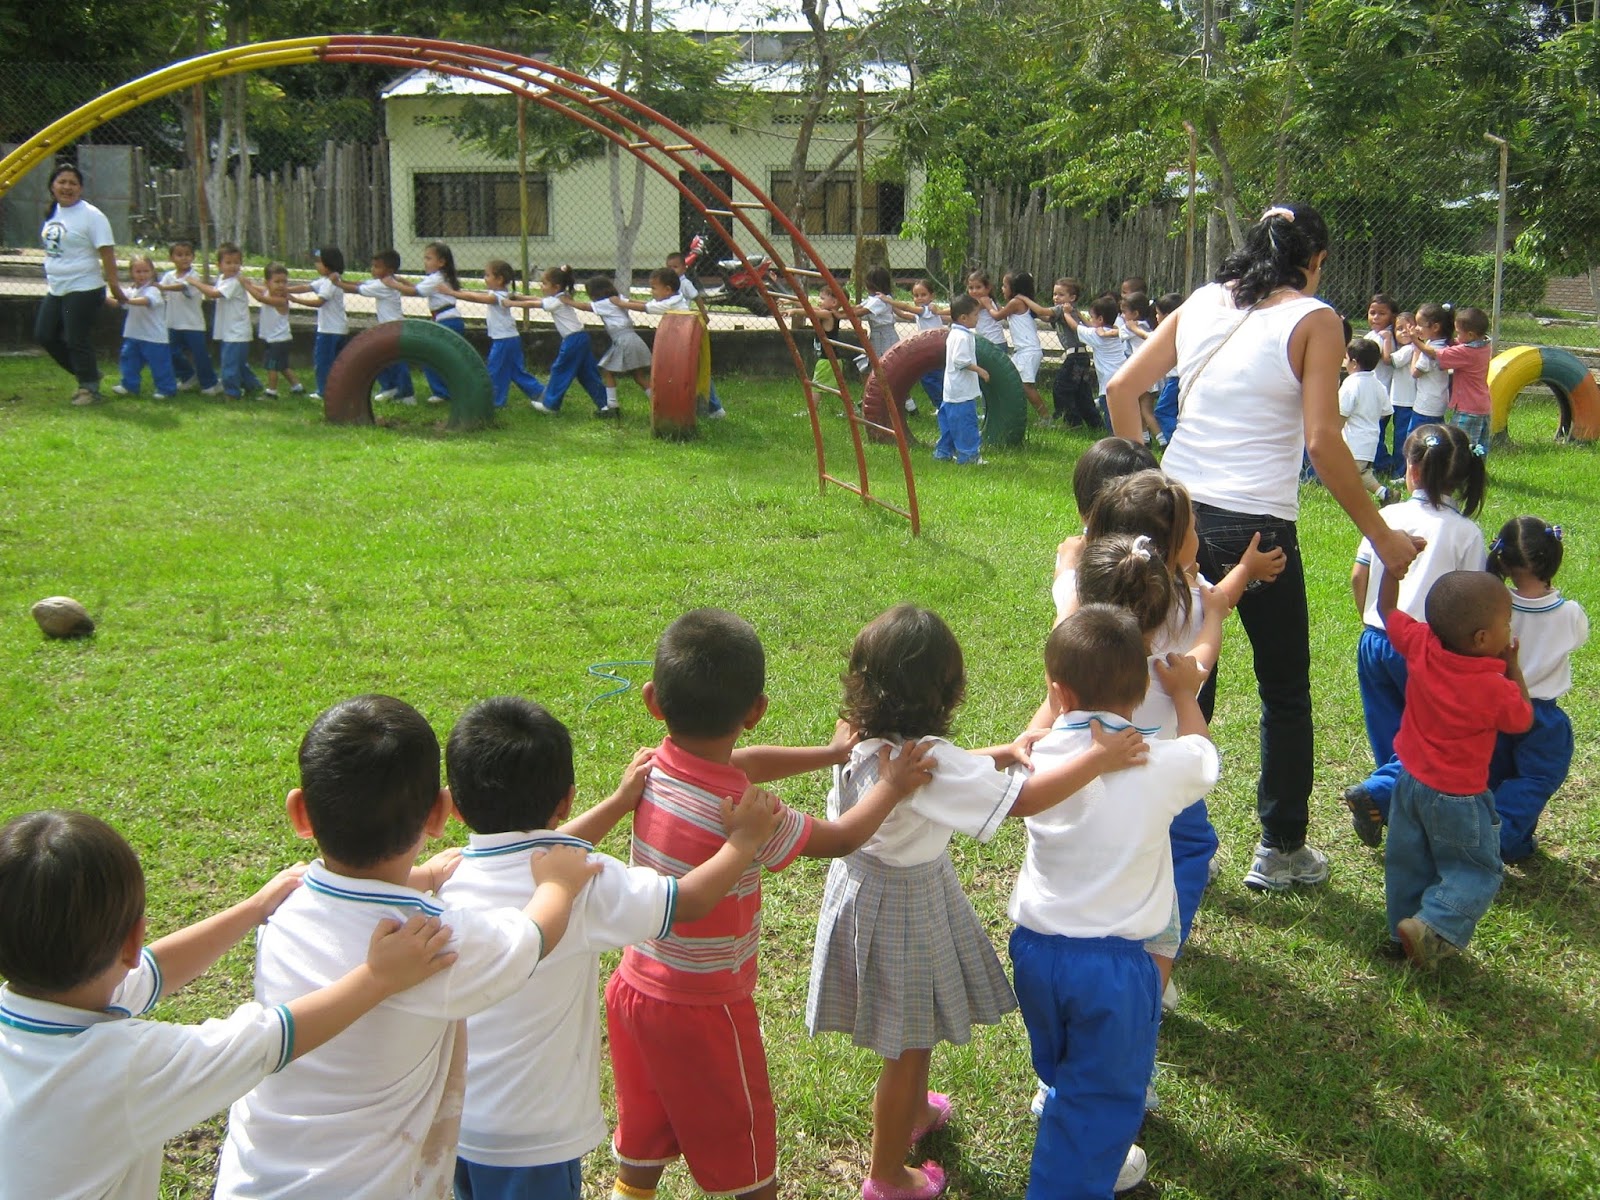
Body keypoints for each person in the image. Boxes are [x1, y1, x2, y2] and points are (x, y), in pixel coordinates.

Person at [1107, 202, 1421, 892]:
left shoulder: (1201, 302)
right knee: (1283, 690)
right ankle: (1280, 848)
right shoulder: (1316, 320)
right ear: (1315, 260)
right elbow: (1323, 441)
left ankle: (1162, 841)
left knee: (1181, 679)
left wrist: (1148, 489)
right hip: (1259, 527)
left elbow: (1123, 388)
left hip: (1179, 520)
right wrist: (1383, 536)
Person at [808, 605, 1148, 1200]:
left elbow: (957, 772)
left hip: (866, 890)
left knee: (913, 1028)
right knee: (907, 1046)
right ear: (947, 691)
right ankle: (887, 1176)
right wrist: (1099, 758)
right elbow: (1023, 801)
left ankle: (916, 1112)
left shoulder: (859, 736)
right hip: (903, 906)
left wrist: (1005, 751)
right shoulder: (929, 761)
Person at [214, 694, 602, 1200]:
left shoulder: (280, 905)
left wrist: (424, 876)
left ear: (300, 813)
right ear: (440, 813)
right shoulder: (431, 943)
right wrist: (558, 886)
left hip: (252, 1181)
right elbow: (533, 938)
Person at [605, 608, 936, 1200]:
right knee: (747, 1157)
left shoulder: (651, 770)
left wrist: (830, 754)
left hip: (635, 991)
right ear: (756, 710)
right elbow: (841, 839)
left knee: (643, 1135)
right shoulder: (749, 817)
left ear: (654, 700)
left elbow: (746, 760)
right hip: (706, 1010)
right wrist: (891, 786)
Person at [0, 809, 456, 1200]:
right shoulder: (124, 1067)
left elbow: (151, 972)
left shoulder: (44, 1012)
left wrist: (255, 907)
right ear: (135, 937)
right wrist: (377, 978)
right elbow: (271, 1040)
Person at [439, 697, 785, 1200]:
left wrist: (622, 802)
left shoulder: (443, 880)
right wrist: (743, 843)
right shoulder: (583, 891)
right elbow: (688, 901)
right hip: (533, 1143)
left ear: (453, 806)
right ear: (566, 800)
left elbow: (541, 848)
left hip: (458, 1126)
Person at [1010, 605, 1219, 1199]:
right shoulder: (1159, 762)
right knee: (1103, 1098)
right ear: (1140, 691)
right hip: (1115, 969)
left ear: (1057, 692)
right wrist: (1185, 695)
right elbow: (1204, 755)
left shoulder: (1034, 756)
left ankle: (1078, 1134)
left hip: (1034, 953)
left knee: (1066, 1069)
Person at [1373, 569, 1532, 968]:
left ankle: (1401, 934)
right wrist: (1512, 667)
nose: (1509, 630)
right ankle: (1434, 925)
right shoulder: (1493, 687)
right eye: (1506, 623)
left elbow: (1386, 609)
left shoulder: (1421, 642)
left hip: (1409, 783)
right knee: (1477, 870)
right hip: (1459, 798)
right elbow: (1522, 719)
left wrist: (1391, 571)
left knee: (1408, 864)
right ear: (1481, 639)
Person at [1340, 423, 1487, 846]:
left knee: (1388, 730)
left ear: (1413, 469)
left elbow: (1358, 576)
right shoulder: (1466, 533)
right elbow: (1472, 599)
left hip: (1376, 638)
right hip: (1429, 648)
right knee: (1434, 739)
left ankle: (1390, 805)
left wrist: (1370, 618)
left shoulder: (1387, 517)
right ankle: (1380, 794)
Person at [1486, 518, 1588, 863]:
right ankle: (1498, 837)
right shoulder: (1571, 613)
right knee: (1535, 779)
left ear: (1503, 561)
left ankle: (1511, 841)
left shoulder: (1496, 608)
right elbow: (1577, 640)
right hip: (1542, 714)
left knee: (1493, 776)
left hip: (1499, 709)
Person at [37, 162, 126, 405]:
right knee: (45, 335)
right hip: (57, 287)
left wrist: (114, 286)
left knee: (76, 338)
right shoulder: (53, 212)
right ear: (52, 186)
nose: (67, 187)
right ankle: (90, 374)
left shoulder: (92, 215)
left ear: (81, 188)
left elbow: (107, 252)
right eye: (62, 182)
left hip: (83, 287)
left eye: (73, 183)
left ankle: (89, 389)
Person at [440, 261, 547, 410]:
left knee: (495, 370)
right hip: (511, 338)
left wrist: (452, 293)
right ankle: (540, 393)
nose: (485, 278)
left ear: (499, 279)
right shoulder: (501, 294)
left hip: (503, 340)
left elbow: (476, 298)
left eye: (488, 275)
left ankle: (494, 402)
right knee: (515, 371)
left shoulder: (497, 297)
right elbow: (479, 295)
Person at [563, 275, 654, 416]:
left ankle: (612, 406)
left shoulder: (605, 303)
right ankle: (658, 402)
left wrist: (568, 301)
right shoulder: (617, 299)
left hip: (623, 340)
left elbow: (585, 307)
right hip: (633, 338)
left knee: (607, 371)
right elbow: (631, 302)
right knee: (639, 376)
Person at [389, 241, 466, 405]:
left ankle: (442, 393)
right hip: (449, 320)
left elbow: (415, 292)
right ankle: (449, 390)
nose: (425, 262)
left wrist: (392, 284)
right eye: (425, 258)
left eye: (428, 258)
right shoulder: (440, 277)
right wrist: (402, 282)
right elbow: (419, 289)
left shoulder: (436, 278)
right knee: (442, 357)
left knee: (429, 356)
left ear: (441, 262)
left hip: (447, 321)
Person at [530, 265, 608, 416]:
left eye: (544, 283)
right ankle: (606, 404)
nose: (541, 286)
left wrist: (511, 303)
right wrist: (519, 297)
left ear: (556, 287)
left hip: (573, 340)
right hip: (581, 338)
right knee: (588, 374)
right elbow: (537, 300)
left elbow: (533, 303)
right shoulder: (560, 297)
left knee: (559, 370)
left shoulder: (556, 301)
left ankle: (550, 405)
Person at [1414, 305, 1493, 455]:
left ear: (1470, 335)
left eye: (1459, 333)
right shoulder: (1484, 346)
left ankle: (1460, 470)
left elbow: (1435, 354)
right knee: (1478, 449)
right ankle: (1477, 469)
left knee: (1458, 446)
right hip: (1483, 406)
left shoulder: (1467, 352)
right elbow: (1456, 345)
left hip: (1468, 409)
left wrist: (1416, 341)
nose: (1456, 336)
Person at [338, 249, 414, 404]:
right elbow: (361, 283)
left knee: (397, 362)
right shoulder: (384, 281)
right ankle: (390, 387)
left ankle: (407, 394)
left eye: (377, 267)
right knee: (380, 358)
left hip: (393, 328)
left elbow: (356, 289)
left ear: (389, 270)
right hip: (387, 328)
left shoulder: (383, 286)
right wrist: (342, 280)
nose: (372, 269)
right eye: (372, 266)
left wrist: (335, 283)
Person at [188, 244, 261, 399]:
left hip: (236, 332)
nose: (233, 266)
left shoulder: (234, 281)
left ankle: (232, 393)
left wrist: (195, 282)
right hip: (230, 330)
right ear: (219, 265)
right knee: (238, 363)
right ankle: (253, 385)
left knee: (229, 364)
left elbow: (214, 294)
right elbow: (214, 289)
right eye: (228, 262)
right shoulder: (223, 279)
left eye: (236, 262)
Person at [109, 253, 178, 399]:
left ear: (152, 272)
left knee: (160, 364)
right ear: (131, 273)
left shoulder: (154, 290)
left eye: (146, 271)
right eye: (138, 271)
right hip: (133, 334)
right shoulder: (131, 291)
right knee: (129, 360)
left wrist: (125, 300)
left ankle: (166, 389)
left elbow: (145, 301)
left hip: (154, 337)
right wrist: (100, 296)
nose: (142, 275)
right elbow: (117, 303)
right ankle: (129, 385)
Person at [286, 246, 349, 401]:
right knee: (338, 362)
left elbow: (319, 302)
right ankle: (340, 389)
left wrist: (295, 300)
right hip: (339, 328)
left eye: (319, 262)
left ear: (329, 263)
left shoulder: (330, 282)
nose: (316, 265)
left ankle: (323, 391)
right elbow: (306, 287)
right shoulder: (328, 280)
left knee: (323, 362)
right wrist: (285, 289)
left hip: (329, 330)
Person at [666, 251, 725, 417]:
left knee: (698, 369)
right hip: (676, 329)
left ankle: (714, 407)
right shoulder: (668, 284)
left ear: (684, 268)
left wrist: (704, 314)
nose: (672, 270)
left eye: (675, 267)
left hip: (686, 328)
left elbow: (697, 297)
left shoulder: (684, 284)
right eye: (669, 267)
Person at [159, 239, 219, 395]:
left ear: (193, 257)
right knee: (171, 352)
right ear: (171, 258)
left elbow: (182, 287)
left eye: (187, 254)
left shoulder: (193, 276)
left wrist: (162, 287)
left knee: (200, 355)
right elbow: (159, 292)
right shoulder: (168, 276)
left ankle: (210, 383)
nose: (184, 258)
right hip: (172, 322)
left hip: (193, 324)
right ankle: (187, 376)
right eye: (179, 255)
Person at [1339, 338, 1395, 504]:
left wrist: (1334, 434)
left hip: (1353, 442)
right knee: (1362, 473)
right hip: (1371, 440)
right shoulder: (1378, 384)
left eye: (1346, 359)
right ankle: (1385, 494)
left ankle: (1358, 504)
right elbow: (1386, 411)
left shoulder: (1351, 384)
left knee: (1347, 475)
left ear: (1354, 363)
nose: (1345, 363)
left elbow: (1342, 412)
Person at [933, 295, 987, 465]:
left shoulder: (954, 333)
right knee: (966, 424)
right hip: (962, 392)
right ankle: (969, 456)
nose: (978, 318)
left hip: (952, 391)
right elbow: (960, 361)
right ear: (964, 317)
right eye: (975, 314)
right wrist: (980, 371)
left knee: (950, 424)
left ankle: (943, 453)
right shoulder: (962, 336)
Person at [242, 264, 306, 398]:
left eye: (284, 282)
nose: (281, 285)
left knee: (272, 367)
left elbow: (260, 298)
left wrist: (246, 285)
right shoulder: (266, 291)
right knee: (282, 366)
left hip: (278, 341)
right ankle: (297, 387)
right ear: (267, 283)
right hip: (274, 339)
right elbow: (259, 290)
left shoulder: (281, 300)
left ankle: (271, 392)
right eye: (277, 282)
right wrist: (250, 284)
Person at [1047, 278, 1099, 428]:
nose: (1056, 298)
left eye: (1061, 294)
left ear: (1072, 298)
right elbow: (1044, 316)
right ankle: (1095, 423)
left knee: (1062, 388)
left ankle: (1071, 422)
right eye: (1054, 294)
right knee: (1081, 391)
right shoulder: (1067, 310)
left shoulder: (1064, 310)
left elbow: (1042, 312)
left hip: (1075, 358)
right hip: (1081, 358)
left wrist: (1027, 302)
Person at [1119, 292, 1163, 445]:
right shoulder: (1149, 325)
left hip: (1141, 372)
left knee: (1144, 410)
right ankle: (1145, 440)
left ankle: (1162, 440)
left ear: (1135, 313)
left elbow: (1118, 334)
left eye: (1124, 312)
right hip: (1152, 373)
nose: (1122, 315)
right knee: (1142, 408)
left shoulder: (1130, 327)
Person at [1407, 303, 1454, 443]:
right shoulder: (1443, 345)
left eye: (1420, 325)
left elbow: (1415, 372)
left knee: (1416, 440)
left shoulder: (1429, 351)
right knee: (1436, 440)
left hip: (1425, 406)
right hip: (1438, 403)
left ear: (1435, 327)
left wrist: (1416, 349)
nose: (1416, 328)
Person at [1364, 293, 1399, 470]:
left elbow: (1374, 357)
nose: (1376, 317)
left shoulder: (1387, 337)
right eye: (1372, 313)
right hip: (1370, 391)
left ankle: (1383, 463)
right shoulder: (1373, 334)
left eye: (1382, 313)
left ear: (1392, 317)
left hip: (1381, 392)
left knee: (1374, 430)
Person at [1082, 297, 1127, 431]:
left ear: (1100, 319)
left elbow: (1075, 327)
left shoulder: (1096, 335)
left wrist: (1067, 313)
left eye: (1091, 317)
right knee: (1121, 409)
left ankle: (1115, 436)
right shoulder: (1118, 331)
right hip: (1123, 375)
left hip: (1108, 381)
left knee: (1108, 409)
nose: (1090, 320)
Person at [1385, 311, 1418, 475]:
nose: (1404, 331)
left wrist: (1386, 340)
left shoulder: (1409, 349)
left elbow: (1388, 360)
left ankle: (1401, 471)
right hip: (1402, 400)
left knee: (1401, 437)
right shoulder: (1409, 348)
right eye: (1399, 328)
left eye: (1409, 327)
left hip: (1405, 401)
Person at [910, 277, 949, 411]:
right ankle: (943, 404)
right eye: (916, 295)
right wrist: (893, 309)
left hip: (934, 349)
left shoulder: (926, 310)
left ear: (932, 296)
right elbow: (905, 314)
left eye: (923, 294)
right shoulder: (924, 311)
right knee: (936, 377)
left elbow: (905, 308)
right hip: (935, 348)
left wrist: (889, 302)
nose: (919, 298)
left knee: (929, 377)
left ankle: (942, 405)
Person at [1151, 292, 1184, 444]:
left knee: (1162, 411)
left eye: (1158, 313)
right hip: (1180, 378)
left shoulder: (1170, 331)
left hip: (1175, 379)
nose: (1156, 317)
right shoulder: (1184, 330)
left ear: (1169, 316)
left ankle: (1176, 441)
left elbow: (1151, 339)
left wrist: (1133, 328)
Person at [966, 270, 1009, 350]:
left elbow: (960, 309)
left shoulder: (983, 301)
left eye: (978, 287)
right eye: (971, 288)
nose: (974, 291)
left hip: (992, 343)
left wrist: (941, 312)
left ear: (988, 288)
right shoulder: (991, 300)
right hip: (997, 342)